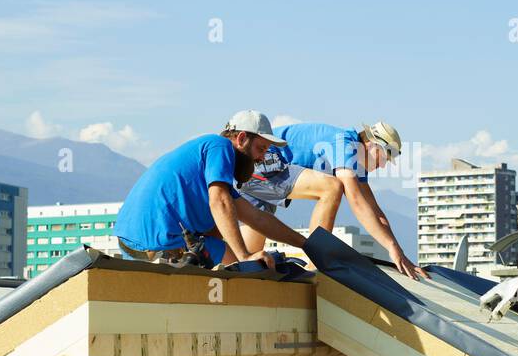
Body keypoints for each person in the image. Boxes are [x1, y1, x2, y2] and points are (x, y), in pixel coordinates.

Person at [114, 111, 309, 269]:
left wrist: (306, 244)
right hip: (157, 244)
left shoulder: (211, 168)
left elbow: (256, 217)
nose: (261, 158)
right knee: (240, 271)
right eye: (261, 148)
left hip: (132, 246)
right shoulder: (220, 146)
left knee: (220, 247)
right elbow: (220, 202)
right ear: (241, 138)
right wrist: (244, 256)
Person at [237, 119, 428, 280]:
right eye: (384, 157)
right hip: (260, 160)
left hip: (256, 173)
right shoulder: (346, 144)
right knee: (332, 187)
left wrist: (398, 251)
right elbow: (356, 201)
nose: (383, 165)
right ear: (371, 144)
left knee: (249, 266)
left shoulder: (354, 164)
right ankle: (315, 264)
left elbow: (375, 212)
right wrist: (392, 247)